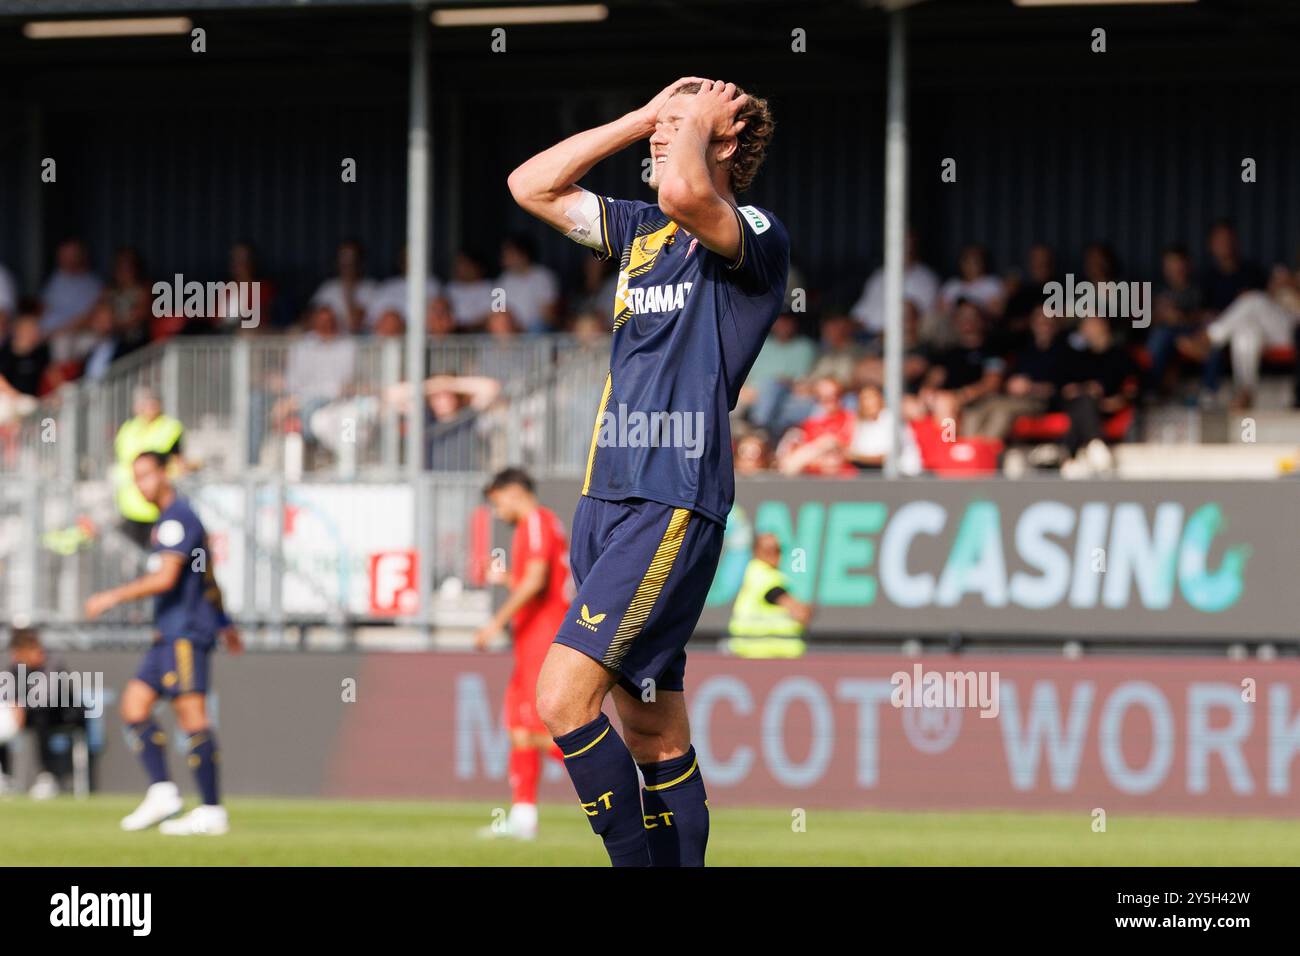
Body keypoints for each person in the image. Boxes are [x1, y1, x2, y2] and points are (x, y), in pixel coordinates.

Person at [509, 76, 787, 866]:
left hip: (671, 495)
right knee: (654, 728)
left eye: (680, 123)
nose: (662, 137)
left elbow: (691, 192)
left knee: (561, 699)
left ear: (724, 140)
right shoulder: (638, 229)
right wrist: (637, 118)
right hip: (606, 499)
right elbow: (531, 185)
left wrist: (691, 129)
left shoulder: (751, 229)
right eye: (660, 123)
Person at [85, 451, 242, 835]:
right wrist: (224, 620)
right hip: (170, 633)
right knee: (134, 705)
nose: (142, 485)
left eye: (148, 475)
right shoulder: (167, 522)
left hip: (185, 633)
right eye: (136, 478)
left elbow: (165, 579)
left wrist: (111, 597)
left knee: (192, 715)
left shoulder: (177, 519)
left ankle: (211, 809)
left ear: (165, 473)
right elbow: (207, 575)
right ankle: (162, 792)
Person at [473, 468, 571, 840]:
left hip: (542, 640)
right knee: (518, 726)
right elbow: (538, 577)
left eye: (498, 503)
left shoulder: (534, 522)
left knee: (548, 733)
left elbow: (536, 579)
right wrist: (505, 578)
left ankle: (622, 791)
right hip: (531, 639)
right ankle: (523, 816)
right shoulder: (544, 524)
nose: (498, 513)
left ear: (513, 493)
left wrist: (496, 622)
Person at [0, 628, 89, 799]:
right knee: (3, 720)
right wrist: (12, 706)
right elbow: (5, 694)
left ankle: (46, 776)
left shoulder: (53, 662)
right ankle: (5, 777)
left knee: (42, 715)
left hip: (66, 715)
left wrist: (20, 706)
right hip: (32, 714)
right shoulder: (15, 668)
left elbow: (48, 696)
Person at [113, 386, 185, 550]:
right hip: (130, 506)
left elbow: (178, 461)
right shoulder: (128, 429)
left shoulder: (170, 427)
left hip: (158, 506)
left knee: (160, 560)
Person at [722, 533, 811, 658]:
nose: (773, 554)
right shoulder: (766, 577)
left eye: (777, 549)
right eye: (768, 549)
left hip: (752, 652)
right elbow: (801, 614)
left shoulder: (753, 573)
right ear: (756, 551)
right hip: (764, 656)